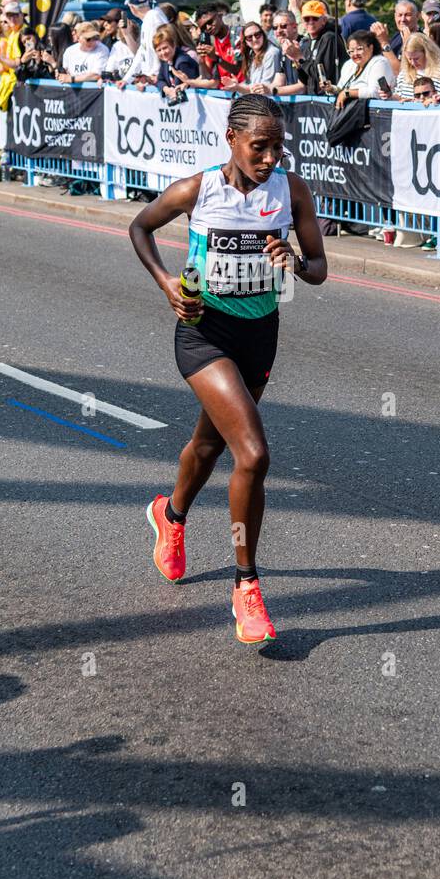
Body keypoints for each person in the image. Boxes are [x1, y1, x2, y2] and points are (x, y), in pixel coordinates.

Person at [128, 94, 327, 645]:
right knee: (253, 453)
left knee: (210, 444)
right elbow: (140, 228)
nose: (268, 157)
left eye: (277, 147)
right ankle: (246, 587)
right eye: (258, 147)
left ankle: (170, 515)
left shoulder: (291, 191)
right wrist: (168, 284)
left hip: (260, 336)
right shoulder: (200, 189)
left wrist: (295, 262)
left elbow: (319, 271)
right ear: (232, 141)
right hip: (203, 333)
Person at [281, 0, 345, 95]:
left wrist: (300, 57)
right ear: (302, 21)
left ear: (323, 20)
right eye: (307, 19)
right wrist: (296, 61)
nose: (311, 22)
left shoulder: (329, 38)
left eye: (315, 18)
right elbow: (307, 80)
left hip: (330, 101)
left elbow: (323, 77)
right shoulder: (307, 41)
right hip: (314, 101)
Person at [331, 30, 395, 104]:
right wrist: (331, 88)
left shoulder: (380, 62)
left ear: (371, 48)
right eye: (351, 51)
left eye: (359, 49)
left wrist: (347, 93)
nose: (355, 54)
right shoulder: (348, 64)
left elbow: (375, 92)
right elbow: (341, 89)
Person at [144, 25, 199, 101]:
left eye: (165, 48)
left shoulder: (183, 61)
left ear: (173, 45)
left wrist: (178, 89)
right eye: (159, 50)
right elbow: (160, 80)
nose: (163, 53)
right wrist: (166, 89)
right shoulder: (165, 61)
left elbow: (194, 82)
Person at [393, 32, 440, 98]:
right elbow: (399, 96)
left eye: (416, 58)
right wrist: (389, 96)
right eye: (409, 59)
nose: (413, 63)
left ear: (427, 54)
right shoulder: (404, 73)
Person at [227, 20, 282, 91]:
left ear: (263, 35)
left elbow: (264, 86)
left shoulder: (272, 53)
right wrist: (236, 85)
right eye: (249, 37)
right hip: (256, 99)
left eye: (257, 34)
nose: (254, 39)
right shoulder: (251, 54)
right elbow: (250, 83)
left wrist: (238, 87)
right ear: (246, 42)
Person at [193, 4, 239, 87]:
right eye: (203, 27)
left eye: (210, 22)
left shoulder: (238, 35)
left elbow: (237, 71)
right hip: (223, 94)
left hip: (241, 92)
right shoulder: (210, 43)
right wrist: (201, 60)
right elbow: (207, 77)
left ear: (220, 16)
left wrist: (217, 58)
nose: (208, 28)